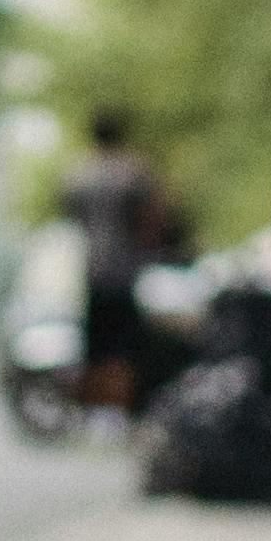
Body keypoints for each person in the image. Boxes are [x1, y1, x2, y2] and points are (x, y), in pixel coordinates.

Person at [56, 106, 183, 407]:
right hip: (127, 270)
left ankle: (98, 407)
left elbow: (70, 215)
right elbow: (155, 218)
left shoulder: (77, 174)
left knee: (97, 345)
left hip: (92, 269)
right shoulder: (134, 172)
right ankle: (122, 405)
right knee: (126, 347)